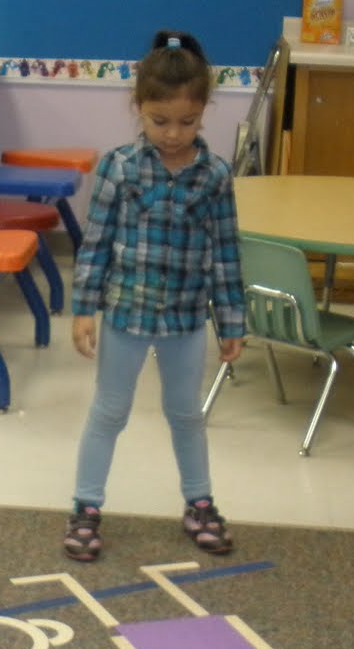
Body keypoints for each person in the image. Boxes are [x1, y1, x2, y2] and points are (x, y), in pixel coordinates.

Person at [63, 30, 245, 562]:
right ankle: (86, 508)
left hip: (187, 319)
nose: (172, 133)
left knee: (186, 413)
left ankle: (199, 503)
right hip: (125, 313)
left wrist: (232, 321)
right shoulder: (119, 166)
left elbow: (227, 253)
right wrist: (83, 310)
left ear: (204, 112)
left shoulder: (214, 175)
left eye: (187, 122)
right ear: (138, 108)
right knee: (109, 411)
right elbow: (94, 244)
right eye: (159, 120)